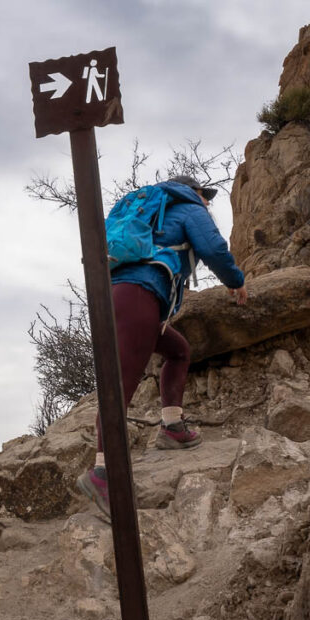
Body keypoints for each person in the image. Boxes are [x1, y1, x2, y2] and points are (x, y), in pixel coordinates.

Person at [77, 174, 247, 518]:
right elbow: (213, 248)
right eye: (206, 196)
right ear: (194, 192)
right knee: (120, 386)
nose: (208, 202)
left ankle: (171, 427)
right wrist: (236, 281)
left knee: (178, 351)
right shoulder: (187, 207)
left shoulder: (149, 211)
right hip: (138, 296)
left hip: (113, 298)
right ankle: (102, 473)